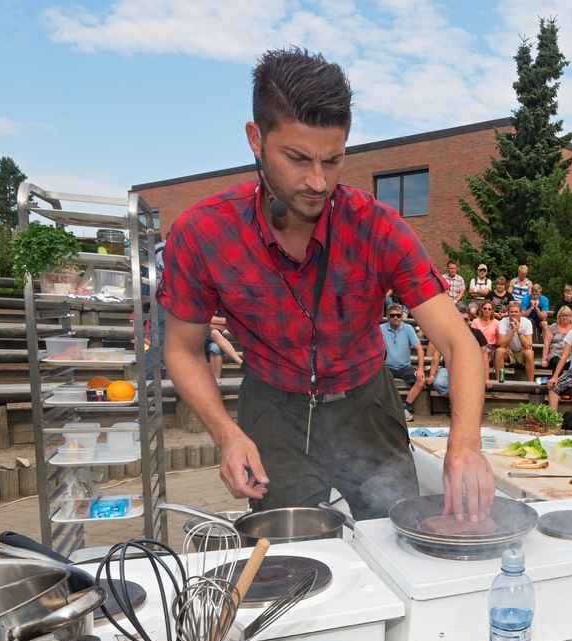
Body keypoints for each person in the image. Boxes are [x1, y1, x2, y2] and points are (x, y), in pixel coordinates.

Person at [159, 48, 490, 521]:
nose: (318, 182)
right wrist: (227, 434)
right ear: (256, 139)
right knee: (281, 557)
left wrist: (465, 443)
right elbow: (183, 349)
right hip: (272, 409)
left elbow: (461, 343)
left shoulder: (379, 227)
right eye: (296, 158)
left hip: (367, 404)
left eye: (333, 161)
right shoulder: (202, 232)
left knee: (397, 535)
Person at [429, 304, 490, 397]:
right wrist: (431, 376)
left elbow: (485, 357)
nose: (462, 322)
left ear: (469, 320)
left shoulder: (477, 334)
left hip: (469, 369)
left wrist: (486, 379)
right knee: (438, 383)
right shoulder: (447, 334)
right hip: (447, 368)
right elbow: (436, 356)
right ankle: (457, 401)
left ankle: (456, 404)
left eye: (465, 319)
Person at [381, 303, 426, 421]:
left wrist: (420, 369)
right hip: (386, 367)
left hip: (404, 367)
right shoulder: (381, 329)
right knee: (375, 380)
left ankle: (404, 408)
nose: (396, 318)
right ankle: (387, 410)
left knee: (421, 379)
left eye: (398, 315)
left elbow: (420, 349)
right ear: (388, 316)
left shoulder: (408, 328)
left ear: (402, 316)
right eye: (392, 315)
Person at [495, 300, 535, 382]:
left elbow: (528, 346)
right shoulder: (503, 322)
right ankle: (500, 382)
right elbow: (501, 345)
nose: (514, 314)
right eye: (511, 312)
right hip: (508, 352)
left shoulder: (527, 322)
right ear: (508, 313)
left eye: (516, 312)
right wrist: (513, 330)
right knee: (499, 351)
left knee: (529, 353)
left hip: (522, 352)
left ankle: (531, 385)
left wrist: (518, 330)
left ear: (521, 313)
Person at [542, 306, 572, 373]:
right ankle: (557, 381)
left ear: (571, 316)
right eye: (563, 316)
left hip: (570, 355)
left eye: (567, 315)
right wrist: (544, 359)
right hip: (555, 354)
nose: (565, 318)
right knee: (557, 363)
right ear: (559, 317)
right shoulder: (554, 326)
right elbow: (546, 344)